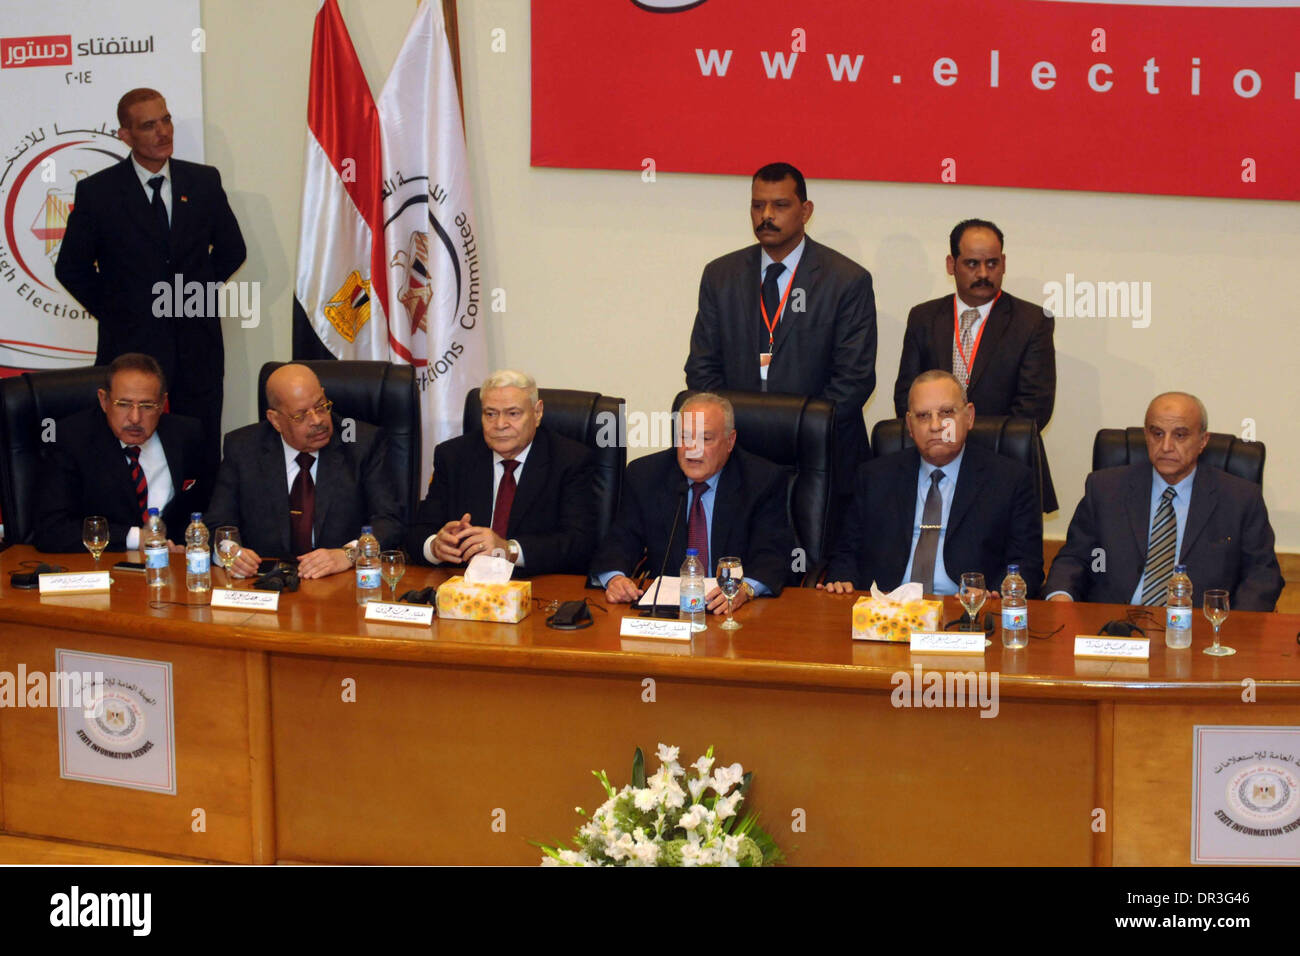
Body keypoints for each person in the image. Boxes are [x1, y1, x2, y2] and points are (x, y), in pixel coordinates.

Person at [55, 87, 246, 468]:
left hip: (197, 344)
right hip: (130, 347)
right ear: (125, 135)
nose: (163, 132)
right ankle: (129, 523)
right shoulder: (99, 192)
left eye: (166, 119)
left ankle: (201, 524)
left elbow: (232, 251)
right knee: (127, 445)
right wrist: (120, 311)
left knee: (199, 444)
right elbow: (71, 268)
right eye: (148, 125)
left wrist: (193, 297)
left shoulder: (204, 182)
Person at [684, 162, 876, 510]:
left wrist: (793, 431)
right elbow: (702, 369)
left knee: (818, 563)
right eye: (758, 206)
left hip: (820, 461)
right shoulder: (720, 275)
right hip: (737, 457)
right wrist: (736, 433)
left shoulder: (847, 280)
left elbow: (853, 381)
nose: (766, 215)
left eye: (780, 206)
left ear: (806, 211)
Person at [1044, 392, 1283, 611]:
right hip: (1114, 627)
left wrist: (1233, 629)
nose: (1166, 446)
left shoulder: (1240, 498)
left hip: (1201, 630)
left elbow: (1262, 575)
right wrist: (1061, 597)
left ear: (1202, 441)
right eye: (1157, 433)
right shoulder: (1105, 489)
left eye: (1180, 435)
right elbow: (1074, 558)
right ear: (1146, 435)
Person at [820, 370, 1043, 596]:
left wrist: (993, 594)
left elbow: (1027, 565)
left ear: (969, 416)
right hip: (887, 611)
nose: (936, 426)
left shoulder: (1010, 480)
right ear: (909, 424)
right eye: (923, 416)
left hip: (966, 613)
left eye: (946, 412)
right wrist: (842, 579)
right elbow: (846, 552)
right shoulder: (874, 477)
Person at [892, 219, 1058, 511]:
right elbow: (906, 396)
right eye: (971, 264)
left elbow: (1033, 409)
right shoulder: (924, 318)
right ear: (950, 264)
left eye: (992, 263)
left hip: (1004, 465)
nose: (983, 274)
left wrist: (966, 446)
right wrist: (944, 445)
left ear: (1004, 263)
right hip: (933, 462)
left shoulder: (1032, 321)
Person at [591, 392, 794, 611]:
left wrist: (745, 590)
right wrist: (615, 578)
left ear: (730, 441)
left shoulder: (762, 480)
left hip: (736, 614)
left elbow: (772, 555)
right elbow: (621, 539)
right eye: (684, 438)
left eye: (705, 439)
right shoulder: (645, 475)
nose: (692, 450)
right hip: (670, 612)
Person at [202, 364, 401, 580]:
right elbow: (216, 524)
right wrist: (230, 551)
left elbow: (389, 520)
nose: (317, 420)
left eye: (321, 406)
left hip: (339, 585)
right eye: (301, 415)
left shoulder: (361, 443)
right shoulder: (243, 448)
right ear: (275, 420)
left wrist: (350, 553)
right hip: (265, 584)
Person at [405, 370, 597, 575]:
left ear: (537, 412)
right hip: (465, 587)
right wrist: (435, 546)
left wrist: (509, 550)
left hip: (536, 586)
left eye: (513, 413)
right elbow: (416, 533)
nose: (500, 424)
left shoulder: (570, 460)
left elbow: (579, 544)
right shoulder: (453, 456)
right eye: (490, 414)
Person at [36, 353, 206, 554]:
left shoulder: (188, 435)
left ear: (162, 403)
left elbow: (207, 508)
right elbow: (51, 530)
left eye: (147, 406)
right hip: (101, 569)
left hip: (172, 569)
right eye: (124, 404)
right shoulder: (70, 439)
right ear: (103, 400)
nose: (135, 418)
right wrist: (136, 538)